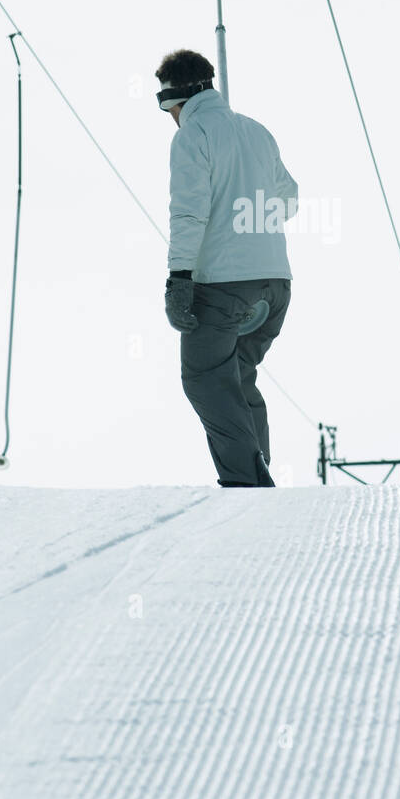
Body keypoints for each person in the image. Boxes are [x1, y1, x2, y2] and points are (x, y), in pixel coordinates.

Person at [156, 49, 298, 488]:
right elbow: (289, 199)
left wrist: (179, 279)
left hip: (223, 286)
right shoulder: (256, 131)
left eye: (165, 105)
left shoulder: (193, 133)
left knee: (204, 379)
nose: (168, 117)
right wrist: (249, 223)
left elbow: (189, 213)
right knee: (237, 374)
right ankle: (259, 470)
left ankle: (247, 484)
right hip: (275, 285)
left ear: (180, 96)